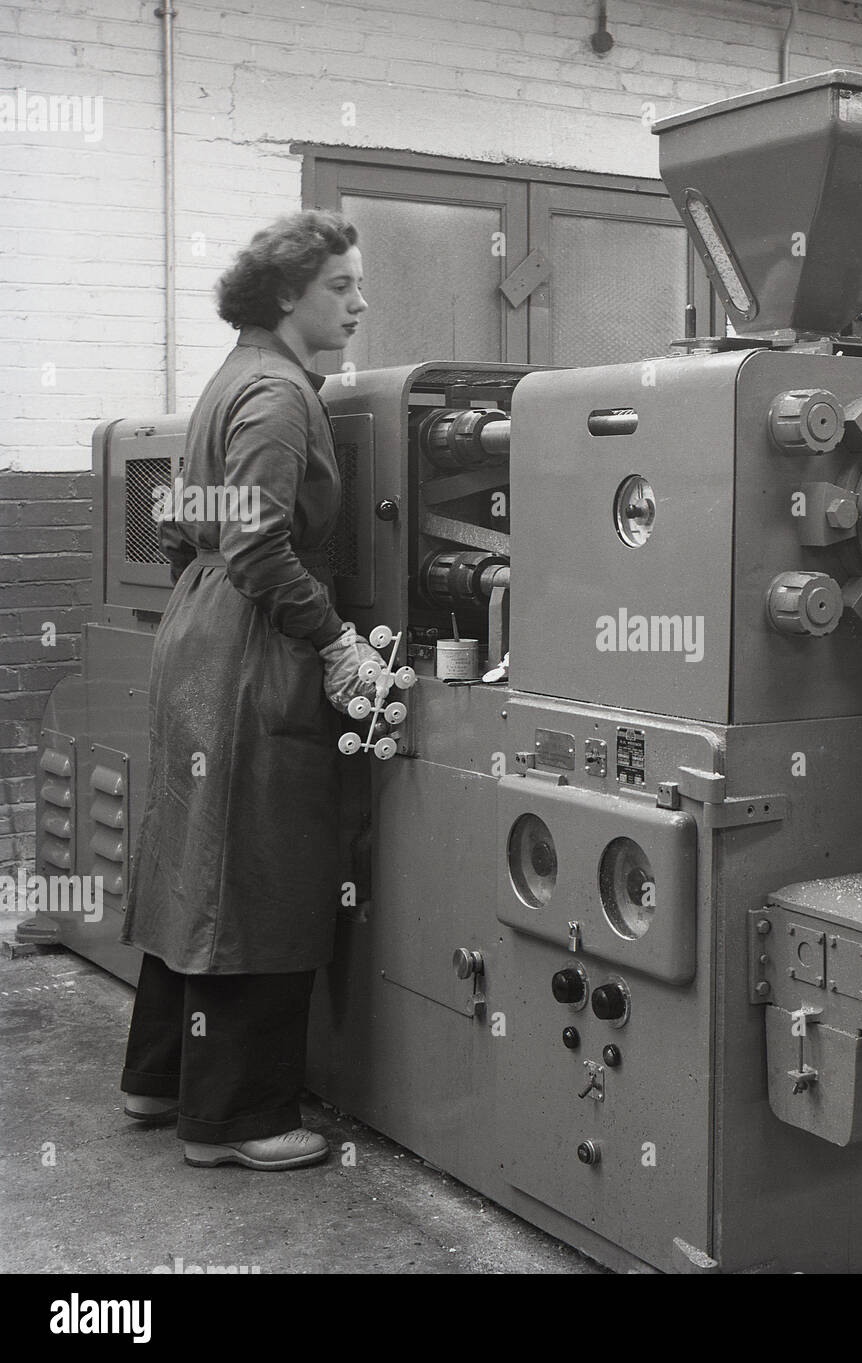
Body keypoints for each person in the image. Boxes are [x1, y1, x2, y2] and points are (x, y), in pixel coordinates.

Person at [118, 210, 386, 1171]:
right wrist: (339, 641)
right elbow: (260, 545)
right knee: (259, 869)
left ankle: (158, 1076)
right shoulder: (279, 396)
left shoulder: (233, 377)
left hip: (203, 630)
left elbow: (194, 525)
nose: (358, 303)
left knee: (197, 855)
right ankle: (233, 1119)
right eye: (339, 287)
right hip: (256, 645)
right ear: (286, 295)